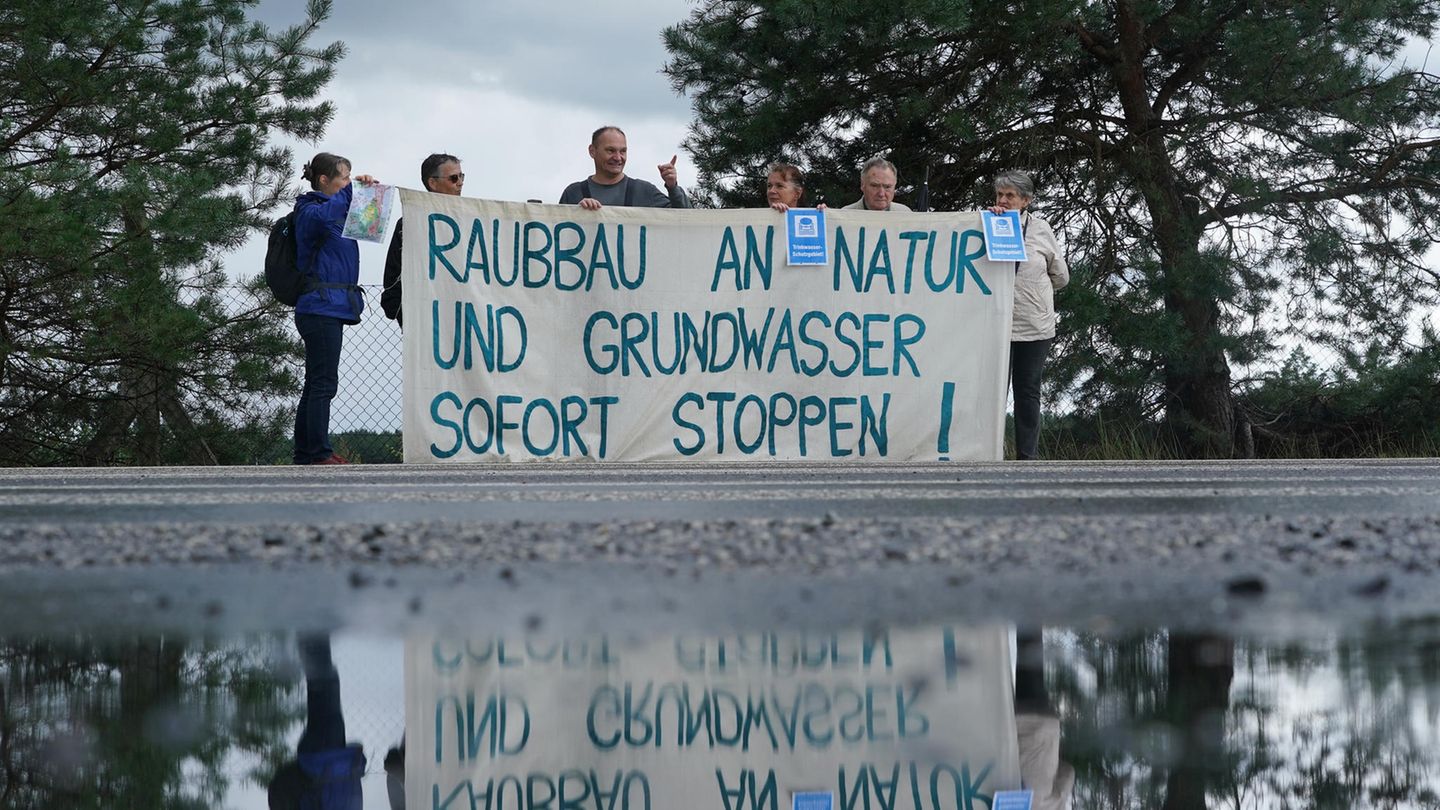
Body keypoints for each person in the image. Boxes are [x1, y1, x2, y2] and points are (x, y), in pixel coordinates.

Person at [292, 152, 377, 466]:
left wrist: (368, 197)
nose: (347, 182)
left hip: (331, 307)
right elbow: (327, 217)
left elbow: (366, 225)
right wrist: (354, 192)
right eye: (343, 177)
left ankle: (308, 451)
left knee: (317, 381)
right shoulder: (309, 210)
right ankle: (316, 453)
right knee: (324, 382)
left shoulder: (335, 211)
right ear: (324, 180)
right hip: (319, 307)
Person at [993, 170, 1069, 460]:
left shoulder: (1040, 229)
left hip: (1034, 325)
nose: (1004, 200)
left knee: (1027, 392)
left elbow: (1061, 276)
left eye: (1010, 195)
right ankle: (989, 453)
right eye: (1000, 194)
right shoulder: (986, 224)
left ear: (1026, 200)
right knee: (993, 393)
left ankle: (1028, 456)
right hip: (996, 324)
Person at [267, 634, 365, 809]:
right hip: (327, 758)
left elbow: (282, 788)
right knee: (323, 686)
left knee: (324, 685)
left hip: (324, 758)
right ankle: (311, 629)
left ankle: (311, 627)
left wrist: (312, 772)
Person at [381, 153, 464, 328]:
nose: (460, 182)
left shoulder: (473, 222)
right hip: (424, 324)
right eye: (454, 178)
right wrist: (406, 315)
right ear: (433, 183)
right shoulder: (409, 224)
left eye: (462, 176)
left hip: (465, 320)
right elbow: (393, 277)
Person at [558, 126, 691, 210]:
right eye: (610, 151)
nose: (618, 157)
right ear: (592, 151)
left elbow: (687, 222)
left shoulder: (644, 191)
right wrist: (576, 212)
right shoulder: (573, 193)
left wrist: (673, 187)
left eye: (623, 151)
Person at [842, 156, 912, 212]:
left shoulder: (906, 214)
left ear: (894, 186)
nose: (881, 194)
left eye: (887, 187)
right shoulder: (844, 216)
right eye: (874, 186)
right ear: (863, 185)